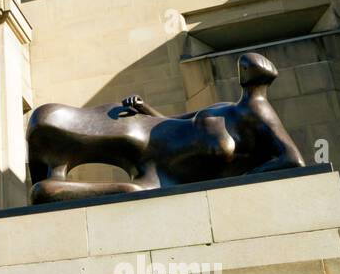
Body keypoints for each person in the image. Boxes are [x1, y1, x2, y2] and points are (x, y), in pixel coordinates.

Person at [28, 52, 304, 203]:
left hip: (162, 177)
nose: (241, 71)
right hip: (153, 130)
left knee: (47, 192)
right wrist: (146, 109)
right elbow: (181, 118)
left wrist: (243, 179)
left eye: (245, 68)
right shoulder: (225, 107)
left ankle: (54, 178)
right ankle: (57, 163)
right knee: (47, 117)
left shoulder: (259, 112)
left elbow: (293, 160)